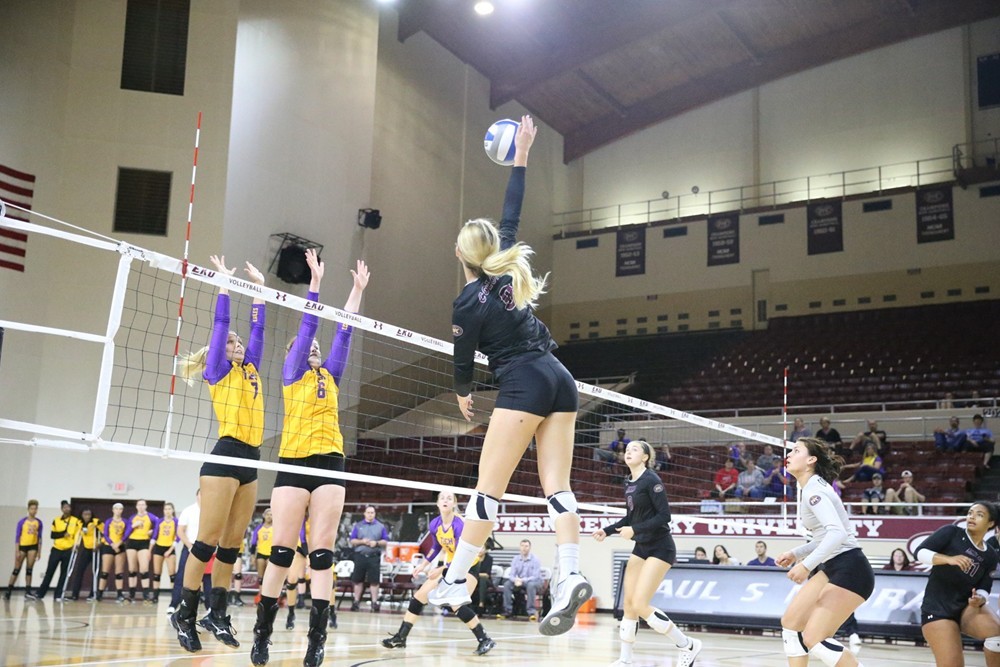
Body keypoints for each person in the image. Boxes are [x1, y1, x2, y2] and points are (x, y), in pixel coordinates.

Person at [428, 115, 591, 638]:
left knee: (487, 491)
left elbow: (460, 364)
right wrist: (521, 154)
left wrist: (460, 395)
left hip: (522, 383)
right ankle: (569, 576)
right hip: (561, 377)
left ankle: (455, 579)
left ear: (459, 255)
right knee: (557, 488)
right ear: (490, 249)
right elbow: (513, 208)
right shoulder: (506, 266)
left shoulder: (465, 301)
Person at [250, 251, 368, 667]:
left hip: (330, 463)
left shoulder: (330, 377)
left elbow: (344, 334)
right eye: (306, 347)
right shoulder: (292, 372)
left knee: (321, 553)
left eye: (315, 348)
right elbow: (311, 324)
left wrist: (355, 291)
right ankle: (261, 634)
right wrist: (315, 282)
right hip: (294, 463)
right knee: (281, 551)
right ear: (294, 354)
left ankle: (316, 640)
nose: (314, 347)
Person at [172, 255, 267, 653]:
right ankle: (185, 612)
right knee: (207, 542)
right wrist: (226, 285)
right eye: (231, 342)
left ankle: (218, 613)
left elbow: (258, 329)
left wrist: (260, 290)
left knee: (232, 545)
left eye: (238, 341)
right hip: (225, 456)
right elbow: (220, 325)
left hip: (252, 459)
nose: (237, 342)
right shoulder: (219, 370)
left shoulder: (251, 369)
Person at [594, 440, 702, 667]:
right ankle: (625, 660)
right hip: (641, 546)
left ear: (645, 457)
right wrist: (608, 530)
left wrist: (634, 530)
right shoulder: (629, 482)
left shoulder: (652, 480)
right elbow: (631, 518)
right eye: (627, 449)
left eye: (635, 449)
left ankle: (687, 645)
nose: (628, 451)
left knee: (642, 604)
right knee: (630, 605)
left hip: (661, 547)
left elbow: (664, 516)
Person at [776, 437, 874, 667]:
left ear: (811, 460)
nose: (788, 455)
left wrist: (806, 565)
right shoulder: (811, 487)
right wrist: (796, 553)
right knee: (791, 625)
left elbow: (837, 534)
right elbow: (824, 537)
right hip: (832, 566)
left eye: (796, 450)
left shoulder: (814, 491)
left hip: (851, 568)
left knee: (814, 638)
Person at [382, 491, 496, 655]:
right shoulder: (435, 524)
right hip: (450, 565)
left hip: (468, 566)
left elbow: (460, 556)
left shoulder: (459, 525)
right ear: (437, 503)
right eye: (442, 498)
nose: (445, 500)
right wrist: (423, 565)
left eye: (449, 498)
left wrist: (440, 569)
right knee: (420, 595)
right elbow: (436, 547)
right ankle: (401, 637)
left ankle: (484, 639)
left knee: (457, 603)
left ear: (454, 504)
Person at [916, 502, 1000, 667]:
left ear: (990, 523)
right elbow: (920, 552)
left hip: (966, 609)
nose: (972, 516)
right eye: (970, 513)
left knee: (997, 635)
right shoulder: (952, 532)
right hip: (938, 610)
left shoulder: (990, 554)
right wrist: (948, 559)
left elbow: (985, 586)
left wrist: (979, 599)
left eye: (979, 514)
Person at [29, 500, 81, 601]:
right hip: (56, 549)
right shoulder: (56, 520)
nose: (67, 509)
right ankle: (40, 593)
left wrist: (76, 546)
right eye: (65, 507)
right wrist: (63, 534)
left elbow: (78, 534)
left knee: (64, 574)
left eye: (68, 507)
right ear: (62, 509)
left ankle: (58, 595)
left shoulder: (76, 521)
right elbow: (53, 535)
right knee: (49, 572)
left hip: (68, 550)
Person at [348, 506, 388, 612]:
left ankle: (374, 603)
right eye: (368, 512)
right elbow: (352, 540)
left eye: (372, 512)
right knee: (358, 580)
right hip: (360, 556)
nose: (370, 514)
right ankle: (356, 602)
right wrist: (362, 541)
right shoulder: (358, 525)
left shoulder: (380, 526)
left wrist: (377, 543)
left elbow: (385, 541)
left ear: (375, 514)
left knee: (374, 581)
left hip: (374, 556)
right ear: (364, 514)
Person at [169, 490, 200, 614]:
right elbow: (180, 531)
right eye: (201, 494)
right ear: (197, 495)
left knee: (207, 579)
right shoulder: (188, 510)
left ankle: (209, 607)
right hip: (189, 547)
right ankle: (173, 604)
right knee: (181, 576)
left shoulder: (211, 511)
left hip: (205, 548)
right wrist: (189, 546)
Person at [5, 499, 42, 600]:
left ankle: (28, 592)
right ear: (28, 509)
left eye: (35, 509)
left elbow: (40, 538)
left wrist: (39, 551)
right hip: (22, 547)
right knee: (16, 569)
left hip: (33, 547)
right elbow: (17, 537)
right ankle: (8, 591)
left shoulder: (39, 522)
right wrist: (17, 551)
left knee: (29, 570)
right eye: (32, 508)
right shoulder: (22, 522)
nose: (34, 511)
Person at [124, 499, 158, 603]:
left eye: (143, 504)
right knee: (132, 569)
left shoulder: (151, 517)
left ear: (146, 506)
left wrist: (152, 533)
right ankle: (131, 594)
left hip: (144, 542)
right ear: (136, 506)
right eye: (139, 505)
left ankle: (146, 595)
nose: (141, 506)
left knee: (144, 568)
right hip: (132, 542)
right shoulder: (133, 517)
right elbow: (126, 534)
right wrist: (133, 526)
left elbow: (157, 528)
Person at [501, 539, 542, 619]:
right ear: (520, 547)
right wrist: (515, 580)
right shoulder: (515, 559)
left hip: (534, 581)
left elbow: (535, 576)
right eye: (522, 546)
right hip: (519, 581)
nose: (524, 548)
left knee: (531, 585)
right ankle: (507, 610)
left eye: (526, 546)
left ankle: (531, 612)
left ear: (530, 548)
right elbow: (512, 574)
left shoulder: (535, 559)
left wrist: (521, 580)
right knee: (507, 584)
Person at [96, 502, 129, 602]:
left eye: (120, 509)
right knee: (105, 572)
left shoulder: (125, 521)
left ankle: (119, 594)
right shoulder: (109, 521)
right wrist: (112, 544)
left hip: (120, 547)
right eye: (116, 509)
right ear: (113, 510)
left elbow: (126, 534)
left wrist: (119, 544)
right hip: (108, 546)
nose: (118, 511)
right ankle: (99, 593)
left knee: (119, 572)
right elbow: (105, 534)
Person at [68, 509, 101, 601]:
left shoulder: (96, 522)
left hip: (96, 549)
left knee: (96, 571)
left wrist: (100, 543)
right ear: (81, 515)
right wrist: (76, 545)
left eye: (89, 514)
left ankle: (93, 594)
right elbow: (78, 535)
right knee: (79, 571)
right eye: (85, 514)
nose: (87, 516)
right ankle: (74, 594)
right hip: (86, 549)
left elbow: (105, 533)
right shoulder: (80, 524)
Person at [150, 502, 177, 604]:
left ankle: (174, 597)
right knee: (157, 573)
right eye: (165, 509)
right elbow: (155, 535)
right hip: (158, 547)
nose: (167, 511)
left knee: (172, 574)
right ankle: (155, 596)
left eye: (169, 509)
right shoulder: (160, 521)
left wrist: (170, 550)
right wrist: (149, 550)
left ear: (173, 510)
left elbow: (177, 537)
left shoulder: (175, 521)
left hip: (170, 548)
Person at [250, 508, 274, 601]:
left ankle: (269, 594)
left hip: (271, 554)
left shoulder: (275, 527)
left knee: (269, 576)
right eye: (267, 514)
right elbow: (253, 542)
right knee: (261, 576)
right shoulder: (259, 528)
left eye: (271, 514)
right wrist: (252, 556)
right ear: (264, 516)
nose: (269, 516)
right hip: (260, 553)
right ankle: (261, 593)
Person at [475, 546, 494, 615]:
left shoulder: (489, 559)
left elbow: (487, 574)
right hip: (475, 580)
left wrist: (477, 574)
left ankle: (481, 603)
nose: (480, 550)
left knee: (483, 580)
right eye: (479, 548)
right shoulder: (473, 558)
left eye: (482, 548)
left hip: (487, 581)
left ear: (486, 550)